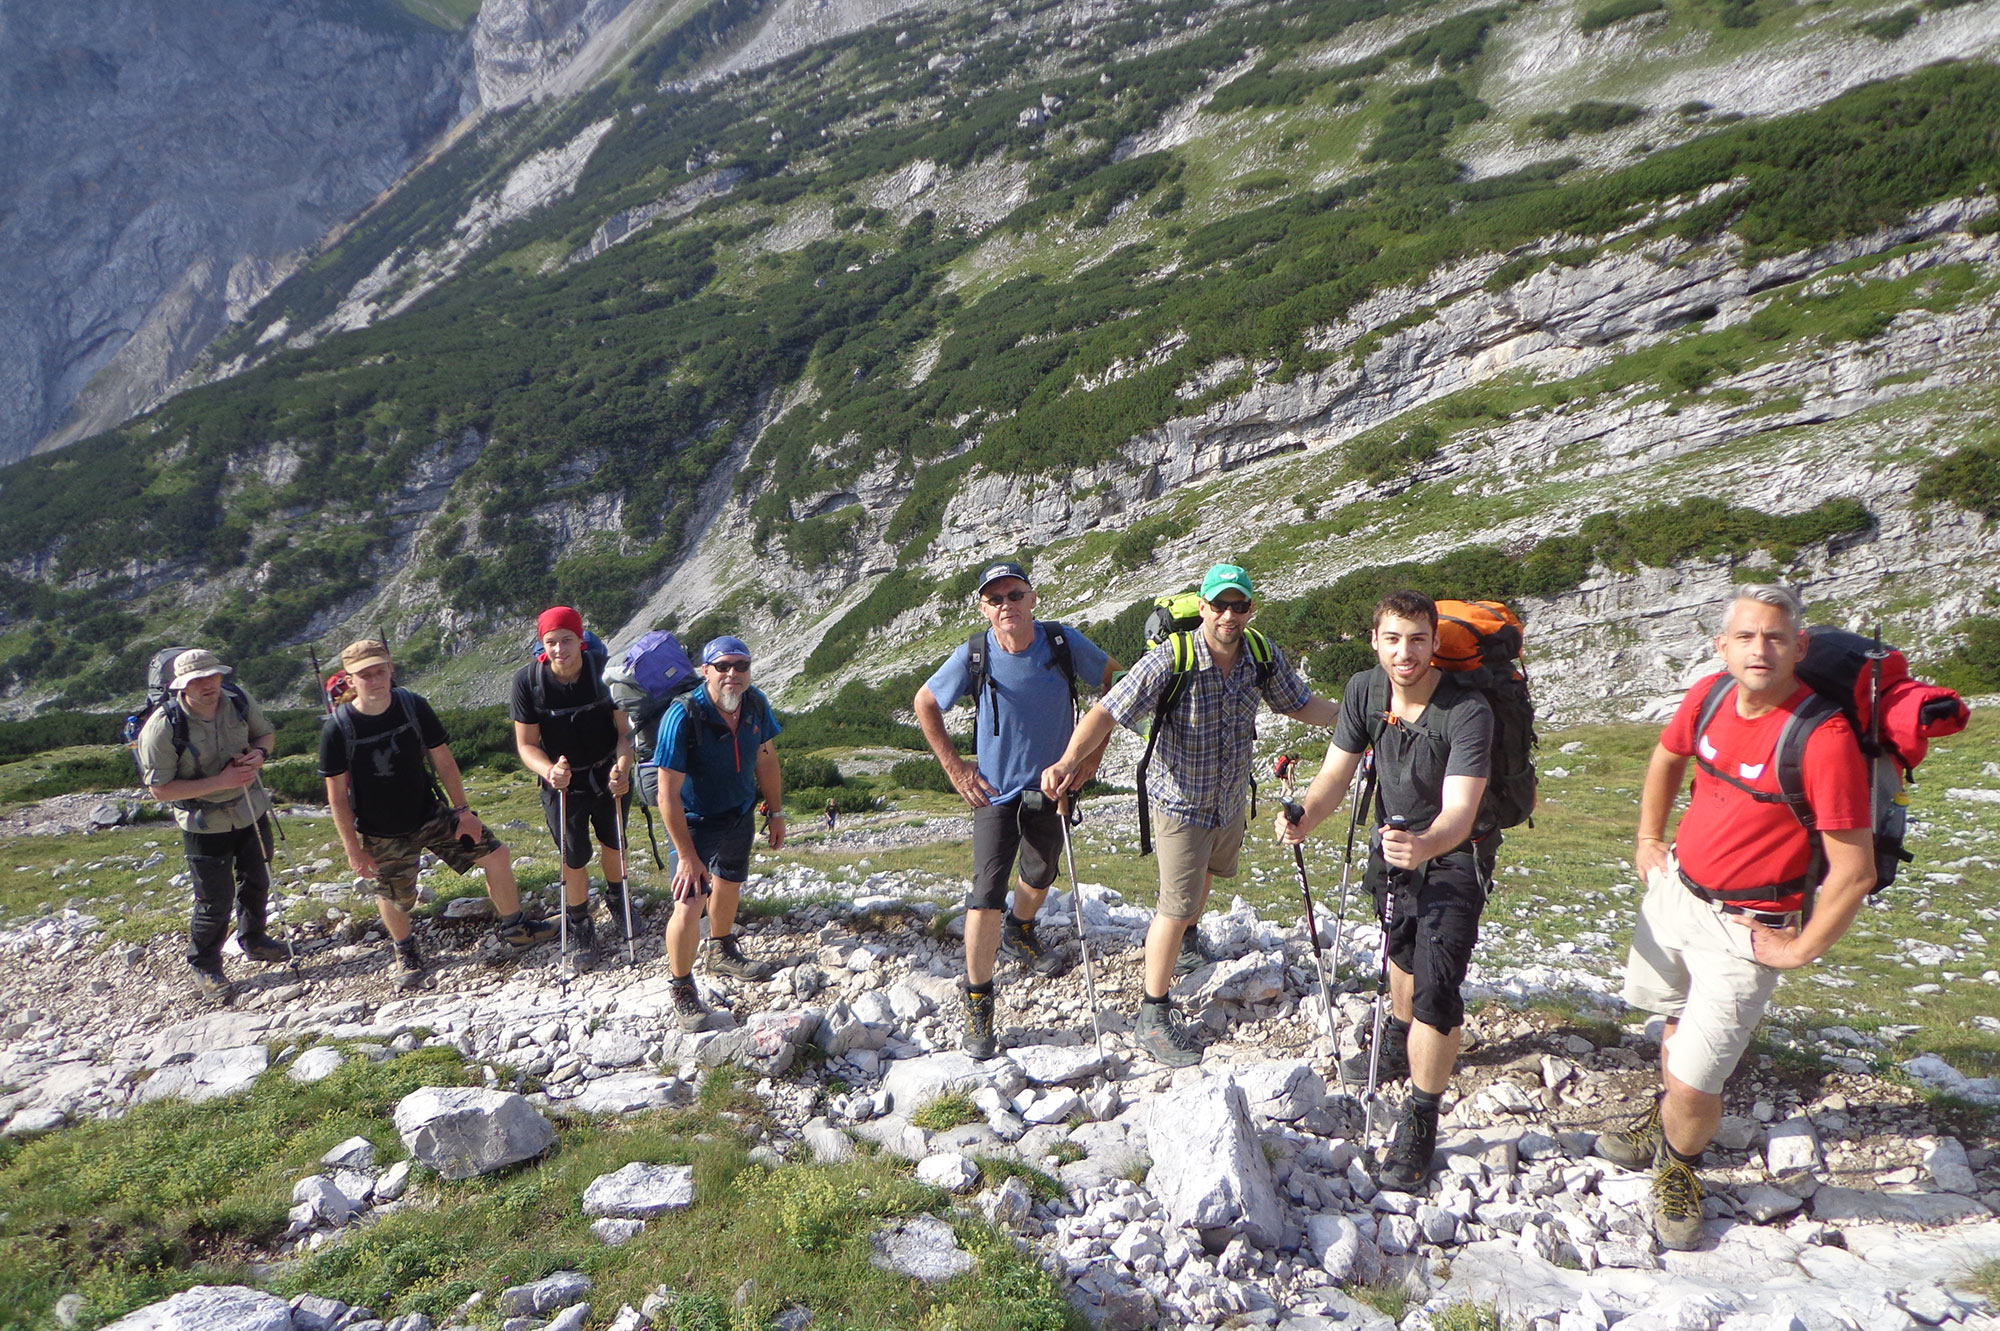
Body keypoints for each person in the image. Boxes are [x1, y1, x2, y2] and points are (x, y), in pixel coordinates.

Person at [1598, 584, 1873, 1251]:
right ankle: (1670, 1124)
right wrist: (1646, 838)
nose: (1760, 648)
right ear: (1722, 646)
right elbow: (1668, 757)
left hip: (1746, 927)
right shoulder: (1709, 694)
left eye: (1775, 637)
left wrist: (1801, 947)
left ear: (1799, 647)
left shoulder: (1822, 737)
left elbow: (1854, 869)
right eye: (1746, 636)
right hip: (1677, 895)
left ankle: (1681, 1165)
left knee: (1698, 1076)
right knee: (1670, 1021)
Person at [1043, 563, 1339, 1067]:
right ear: (1202, 607)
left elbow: (1298, 703)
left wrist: (1351, 718)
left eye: (1238, 605)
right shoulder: (1171, 659)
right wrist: (1069, 761)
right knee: (1174, 906)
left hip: (1227, 797)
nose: (1228, 614)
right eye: (1219, 605)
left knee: (1207, 879)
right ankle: (1152, 1016)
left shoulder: (1260, 655)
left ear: (1250, 609)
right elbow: (1107, 711)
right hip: (1179, 802)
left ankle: (1186, 947)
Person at [1276, 590, 1496, 1192]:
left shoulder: (1468, 711)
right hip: (1393, 843)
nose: (1405, 652)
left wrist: (1426, 846)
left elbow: (1460, 810)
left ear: (1434, 643)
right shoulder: (1364, 691)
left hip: (1454, 853)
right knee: (1399, 946)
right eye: (1393, 638)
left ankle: (1420, 1119)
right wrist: (1305, 815)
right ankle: (1397, 1043)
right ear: (1375, 640)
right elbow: (1334, 775)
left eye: (1418, 639)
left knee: (1438, 982)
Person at [915, 561, 1117, 1059]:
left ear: (1032, 599)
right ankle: (978, 1003)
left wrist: (1090, 757)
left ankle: (1020, 929)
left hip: (1054, 785)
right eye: (996, 598)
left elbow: (1116, 683)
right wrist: (956, 769)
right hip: (995, 793)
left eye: (1015, 594)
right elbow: (925, 701)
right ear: (985, 608)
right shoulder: (975, 655)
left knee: (1041, 872)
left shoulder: (1064, 643)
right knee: (986, 890)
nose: (1007, 605)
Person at [321, 639, 557, 988]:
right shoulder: (338, 727)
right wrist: (353, 849)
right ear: (351, 679)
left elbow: (442, 759)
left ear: (391, 669)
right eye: (365, 675)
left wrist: (464, 812)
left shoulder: (412, 705)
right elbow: (337, 796)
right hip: (382, 829)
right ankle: (406, 951)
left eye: (380, 671)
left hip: (429, 812)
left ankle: (516, 928)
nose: (375, 680)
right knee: (394, 895)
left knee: (496, 855)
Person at [134, 649, 288, 1001]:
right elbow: (159, 789)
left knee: (257, 878)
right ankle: (205, 964)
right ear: (181, 687)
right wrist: (222, 781)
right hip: (203, 823)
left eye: (213, 676)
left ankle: (254, 939)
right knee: (214, 899)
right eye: (197, 681)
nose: (208, 685)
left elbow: (265, 735)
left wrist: (258, 755)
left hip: (250, 808)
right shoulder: (162, 726)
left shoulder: (237, 699)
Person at [656, 636, 786, 1029]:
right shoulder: (681, 716)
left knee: (730, 881)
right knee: (690, 902)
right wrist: (688, 856)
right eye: (723, 666)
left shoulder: (755, 703)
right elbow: (667, 795)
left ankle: (721, 948)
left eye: (741, 666)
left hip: (740, 811)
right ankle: (680, 987)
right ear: (705, 670)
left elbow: (766, 758)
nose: (732, 674)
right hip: (694, 820)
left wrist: (776, 812)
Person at [512, 607, 636, 969]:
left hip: (607, 772)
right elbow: (526, 745)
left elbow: (624, 734)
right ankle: (581, 923)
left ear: (581, 640)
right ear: (542, 644)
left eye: (566, 640)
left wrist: (623, 767)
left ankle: (618, 901)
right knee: (573, 855)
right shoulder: (528, 681)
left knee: (614, 842)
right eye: (551, 642)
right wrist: (550, 771)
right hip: (561, 783)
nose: (559, 649)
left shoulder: (603, 674)